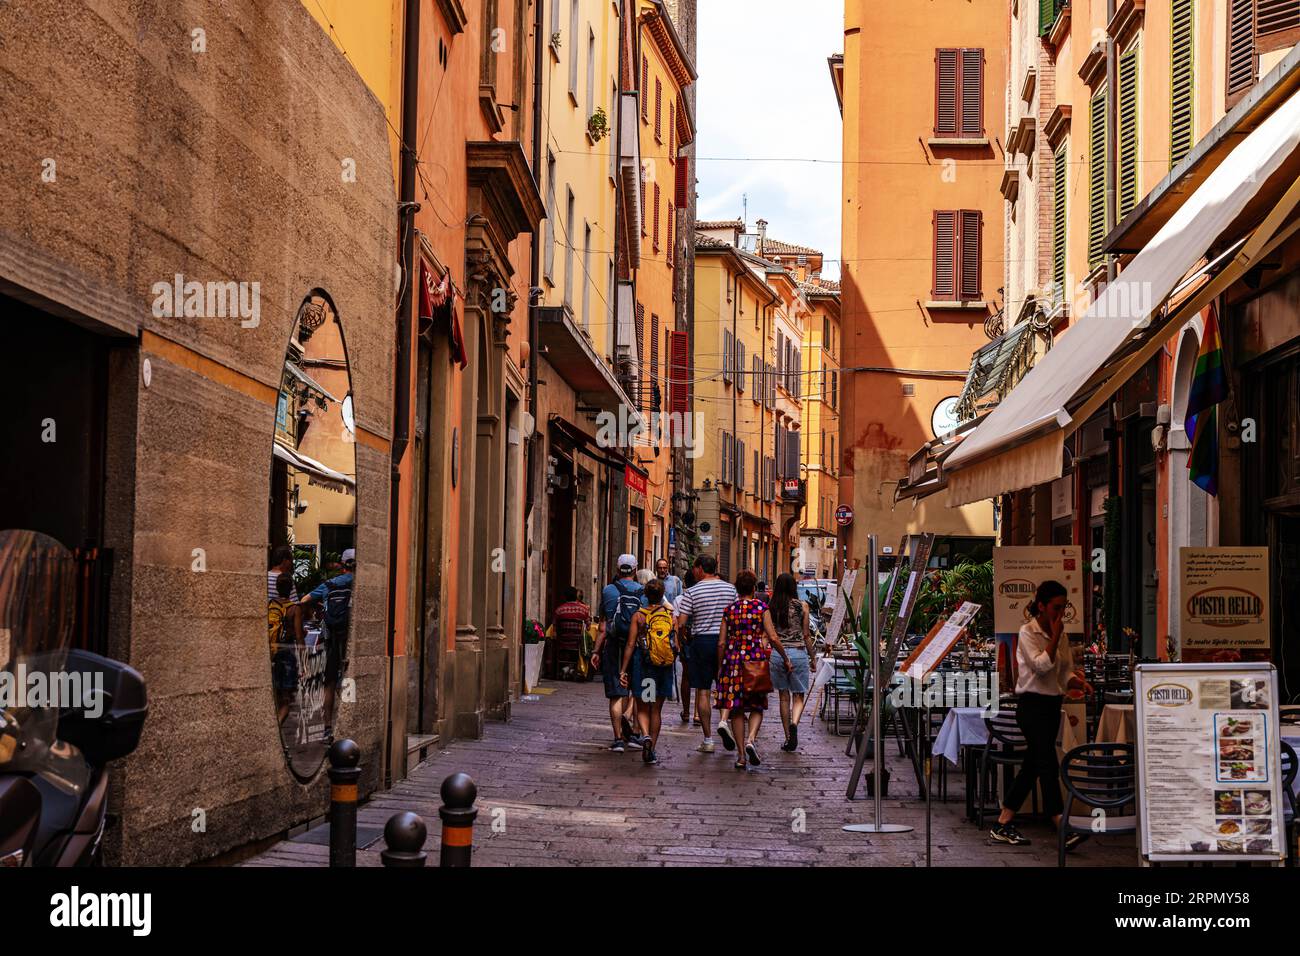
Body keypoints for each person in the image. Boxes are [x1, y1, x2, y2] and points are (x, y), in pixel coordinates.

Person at [990, 579, 1089, 849]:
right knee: (1047, 764)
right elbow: (1040, 667)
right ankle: (1061, 824)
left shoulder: (1063, 636)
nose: (1060, 613)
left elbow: (1063, 671)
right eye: (1056, 607)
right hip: (1031, 706)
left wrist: (1076, 682)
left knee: (1033, 765)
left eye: (1064, 607)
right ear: (1042, 606)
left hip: (1051, 707)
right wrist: (1054, 637)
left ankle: (1002, 822)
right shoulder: (1028, 632)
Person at [717, 570, 792, 770]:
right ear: (753, 588)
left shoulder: (729, 610)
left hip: (733, 663)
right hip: (755, 662)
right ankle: (751, 740)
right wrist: (785, 658)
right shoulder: (761, 608)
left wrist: (720, 666)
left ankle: (741, 756)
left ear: (736, 588)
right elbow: (773, 637)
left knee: (737, 709)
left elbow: (722, 642)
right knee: (757, 706)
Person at [673, 554, 737, 753]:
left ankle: (708, 739)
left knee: (703, 691)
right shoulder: (730, 589)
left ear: (700, 568)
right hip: (725, 642)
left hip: (701, 642)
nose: (693, 571)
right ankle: (724, 722)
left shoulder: (692, 591)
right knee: (726, 687)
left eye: (694, 568)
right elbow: (735, 615)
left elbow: (682, 623)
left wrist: (685, 639)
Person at [619, 578, 677, 765]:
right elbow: (676, 643)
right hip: (664, 666)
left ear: (645, 595)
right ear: (662, 596)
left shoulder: (639, 616)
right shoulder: (670, 614)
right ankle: (651, 750)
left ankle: (645, 735)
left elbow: (630, 644)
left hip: (646, 667)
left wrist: (623, 669)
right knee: (657, 710)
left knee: (644, 706)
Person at [591, 555, 645, 752]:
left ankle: (617, 739)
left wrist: (596, 650)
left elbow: (603, 626)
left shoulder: (608, 590)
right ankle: (635, 734)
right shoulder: (642, 592)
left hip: (614, 645)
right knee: (637, 692)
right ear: (635, 569)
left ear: (617, 568)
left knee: (616, 694)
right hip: (637, 647)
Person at [301, 547, 355, 741]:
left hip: (331, 638)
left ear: (342, 565)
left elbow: (304, 600)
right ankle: (348, 725)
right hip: (350, 639)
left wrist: (315, 613)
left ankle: (328, 727)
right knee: (351, 680)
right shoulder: (359, 584)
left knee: (329, 683)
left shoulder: (329, 585)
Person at [767, 572, 816, 751]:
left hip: (777, 654)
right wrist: (813, 658)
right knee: (798, 694)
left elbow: (769, 635)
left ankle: (788, 736)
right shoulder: (802, 606)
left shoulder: (771, 607)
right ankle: (794, 723)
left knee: (783, 696)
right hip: (798, 653)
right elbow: (806, 635)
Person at [268, 572, 304, 726]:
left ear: (276, 587)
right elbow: (298, 635)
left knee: (275, 697)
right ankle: (275, 730)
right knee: (286, 700)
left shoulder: (270, 605)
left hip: (271, 653)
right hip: (287, 653)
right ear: (291, 589)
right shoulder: (294, 609)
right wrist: (304, 658)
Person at [551, 586, 592, 679]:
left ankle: (565, 667)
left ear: (565, 597)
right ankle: (573, 668)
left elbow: (554, 626)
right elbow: (589, 627)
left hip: (563, 642)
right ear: (576, 596)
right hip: (578, 643)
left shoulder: (559, 610)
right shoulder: (584, 609)